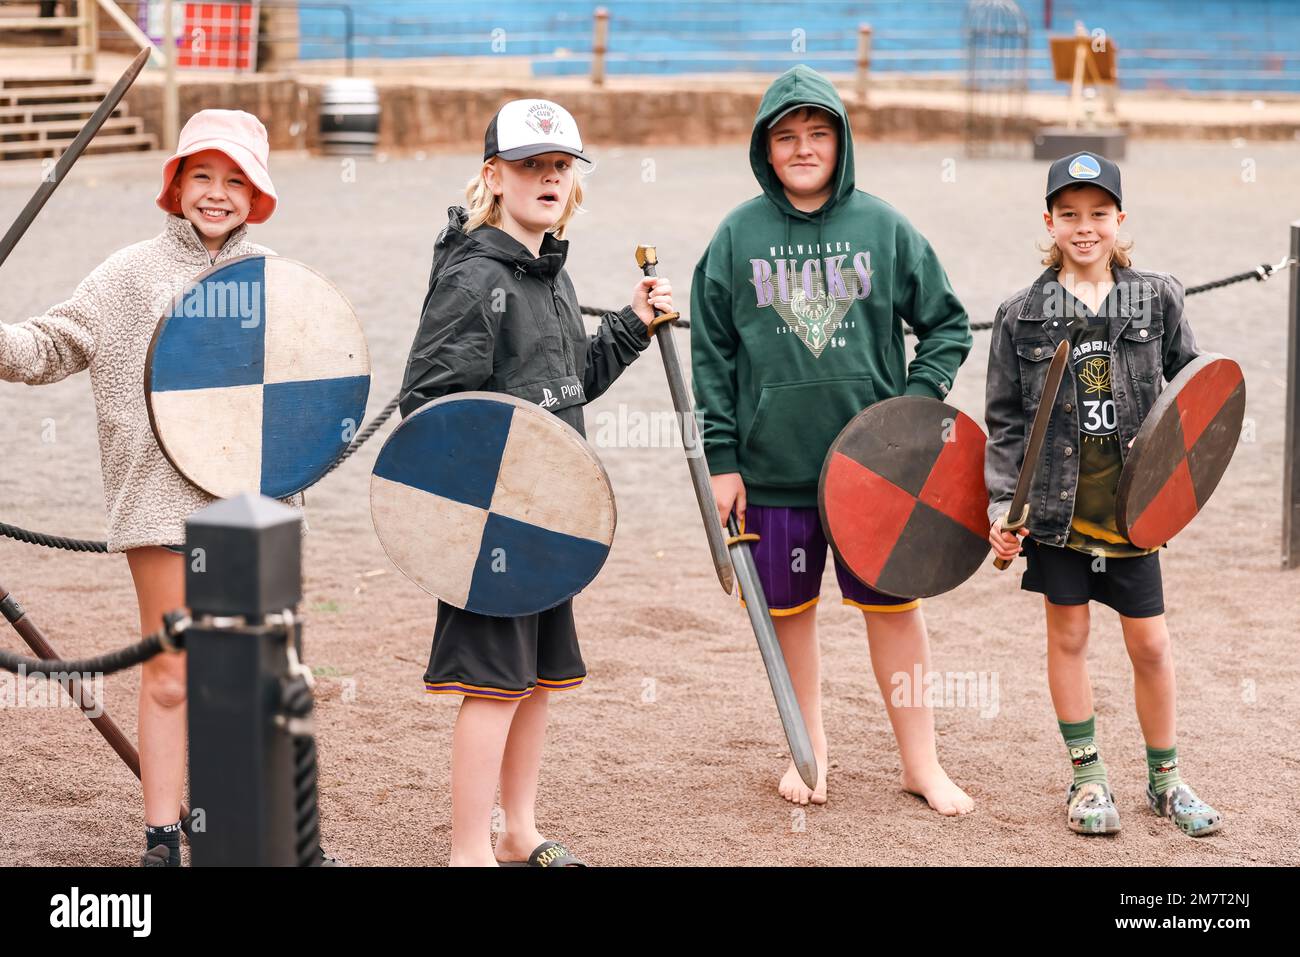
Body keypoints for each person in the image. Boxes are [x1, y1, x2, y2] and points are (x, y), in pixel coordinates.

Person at [0, 109, 302, 864]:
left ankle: (253, 824)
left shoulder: (274, 278)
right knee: (171, 673)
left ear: (256, 194)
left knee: (252, 673)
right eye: (202, 174)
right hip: (161, 501)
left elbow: (308, 389)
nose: (216, 193)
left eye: (235, 180)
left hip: (251, 507)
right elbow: (45, 346)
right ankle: (163, 834)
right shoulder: (126, 275)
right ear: (176, 183)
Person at [690, 65, 974, 812]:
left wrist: (912, 412)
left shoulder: (882, 227)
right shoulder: (735, 237)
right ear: (766, 148)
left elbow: (946, 323)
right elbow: (711, 358)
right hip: (774, 470)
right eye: (787, 136)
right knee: (789, 616)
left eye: (818, 133)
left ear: (841, 141)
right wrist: (721, 461)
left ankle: (922, 762)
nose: (804, 147)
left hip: (876, 476)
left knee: (894, 612)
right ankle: (808, 752)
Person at [399, 98, 673, 866]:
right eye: (530, 166)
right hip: (493, 522)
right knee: (492, 684)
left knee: (536, 680)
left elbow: (566, 384)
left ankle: (518, 831)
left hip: (552, 513)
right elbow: (433, 408)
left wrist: (628, 325)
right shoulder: (473, 277)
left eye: (559, 167)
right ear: (494, 176)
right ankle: (467, 849)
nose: (548, 178)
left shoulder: (547, 270)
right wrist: (486, 506)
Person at [985, 151, 1223, 837]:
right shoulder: (1020, 314)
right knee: (1070, 633)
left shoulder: (1160, 298)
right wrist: (1004, 507)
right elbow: (1004, 424)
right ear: (1049, 221)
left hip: (1132, 511)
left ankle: (1166, 778)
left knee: (1150, 643)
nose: (1083, 227)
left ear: (1121, 221)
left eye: (1097, 214)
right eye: (1069, 215)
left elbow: (1195, 400)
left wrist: (1181, 492)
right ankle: (1087, 779)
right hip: (1059, 514)